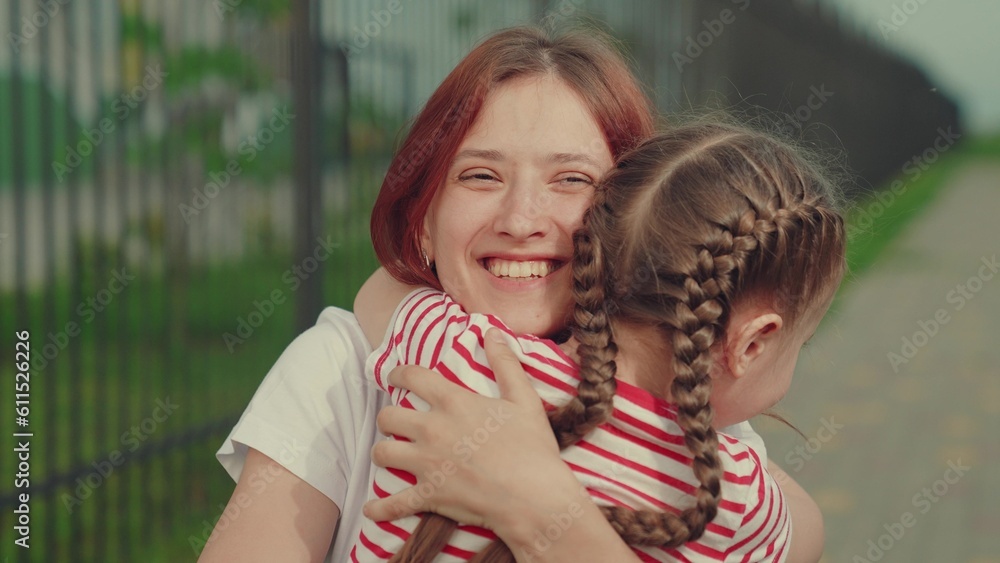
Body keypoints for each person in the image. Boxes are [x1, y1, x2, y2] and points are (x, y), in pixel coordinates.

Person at [200, 27, 819, 563]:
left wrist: (539, 503)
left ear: (638, 221)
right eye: (480, 175)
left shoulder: (692, 392)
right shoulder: (338, 371)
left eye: (572, 179)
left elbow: (808, 529)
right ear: (424, 218)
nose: (521, 219)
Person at [350, 121, 846, 562]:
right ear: (752, 343)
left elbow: (379, 293)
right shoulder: (734, 498)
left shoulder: (463, 355)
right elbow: (810, 534)